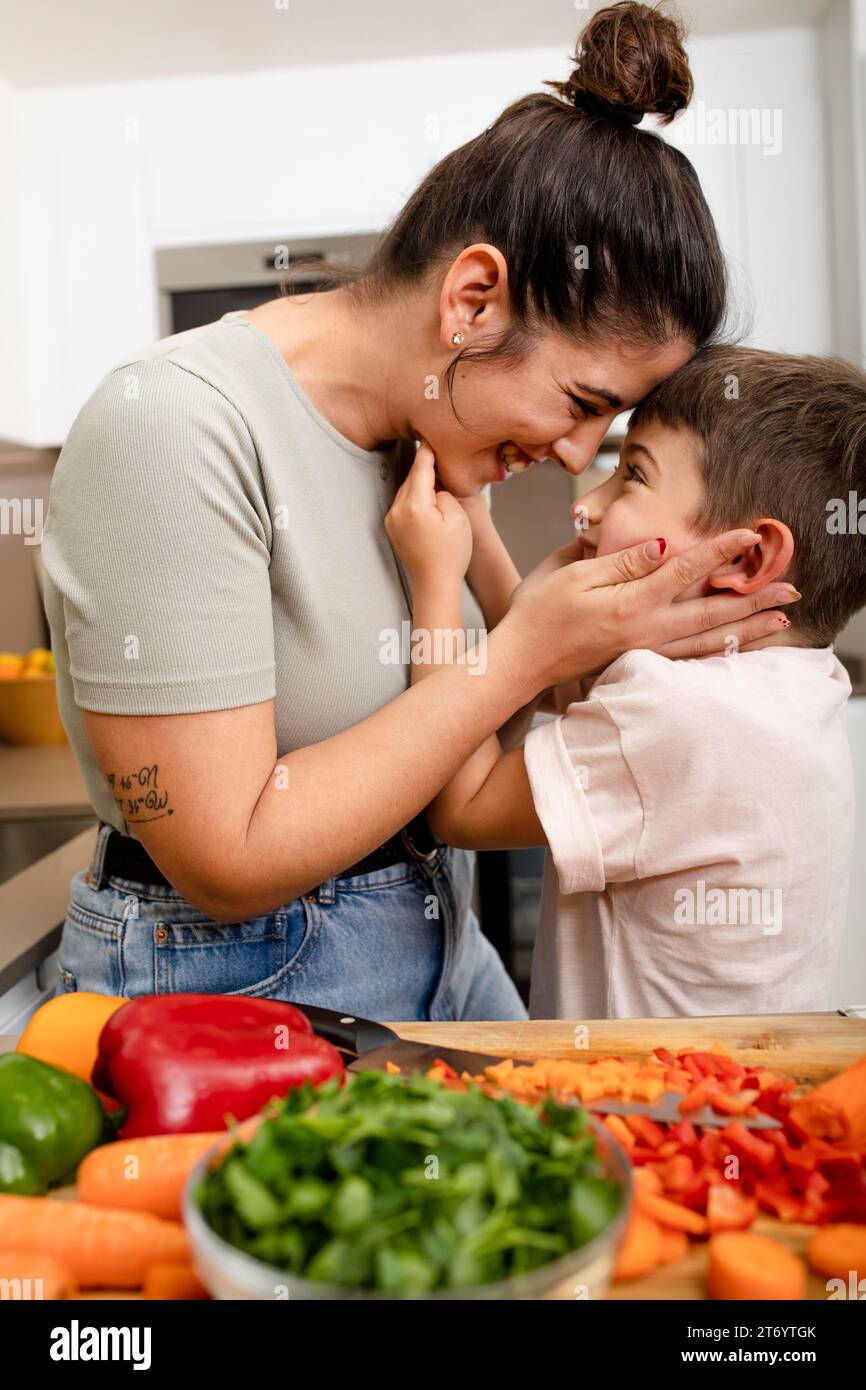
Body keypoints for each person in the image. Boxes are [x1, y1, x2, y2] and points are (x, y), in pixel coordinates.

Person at [41, 3, 787, 1020]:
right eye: (582, 405)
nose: (576, 456)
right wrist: (523, 652)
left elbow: (443, 728)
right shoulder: (172, 426)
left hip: (437, 937)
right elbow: (226, 855)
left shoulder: (429, 445)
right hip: (234, 986)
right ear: (472, 301)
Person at [385, 345, 866, 1018]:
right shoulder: (793, 679)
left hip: (630, 1109)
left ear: (746, 556)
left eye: (632, 477)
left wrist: (434, 577)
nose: (588, 507)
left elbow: (462, 807)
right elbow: (541, 670)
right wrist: (476, 523)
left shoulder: (679, 712)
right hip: (734, 1098)